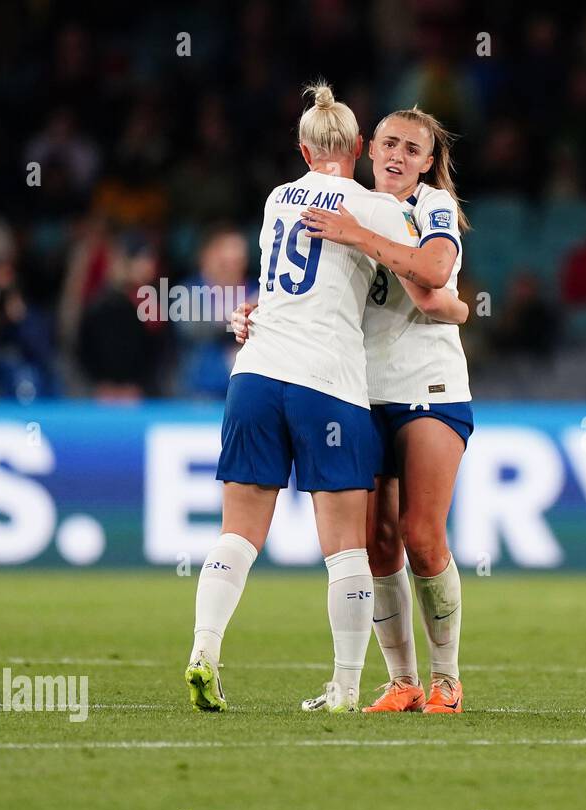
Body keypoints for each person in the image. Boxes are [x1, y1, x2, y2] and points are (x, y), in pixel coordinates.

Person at [185, 83, 454, 714]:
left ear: (304, 149)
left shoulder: (277, 199)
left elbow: (292, 280)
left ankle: (205, 651)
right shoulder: (374, 206)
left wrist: (253, 312)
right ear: (360, 147)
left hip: (253, 376)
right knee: (347, 549)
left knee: (237, 534)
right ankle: (346, 686)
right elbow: (432, 275)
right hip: (328, 384)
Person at [294, 108, 472, 714]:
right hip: (358, 390)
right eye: (389, 144)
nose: (398, 156)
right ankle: (403, 681)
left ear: (426, 162)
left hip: (429, 386)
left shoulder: (433, 205)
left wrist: (358, 236)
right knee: (377, 543)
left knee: (422, 536)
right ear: (370, 149)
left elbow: (436, 269)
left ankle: (447, 678)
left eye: (412, 149)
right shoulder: (352, 205)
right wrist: (258, 320)